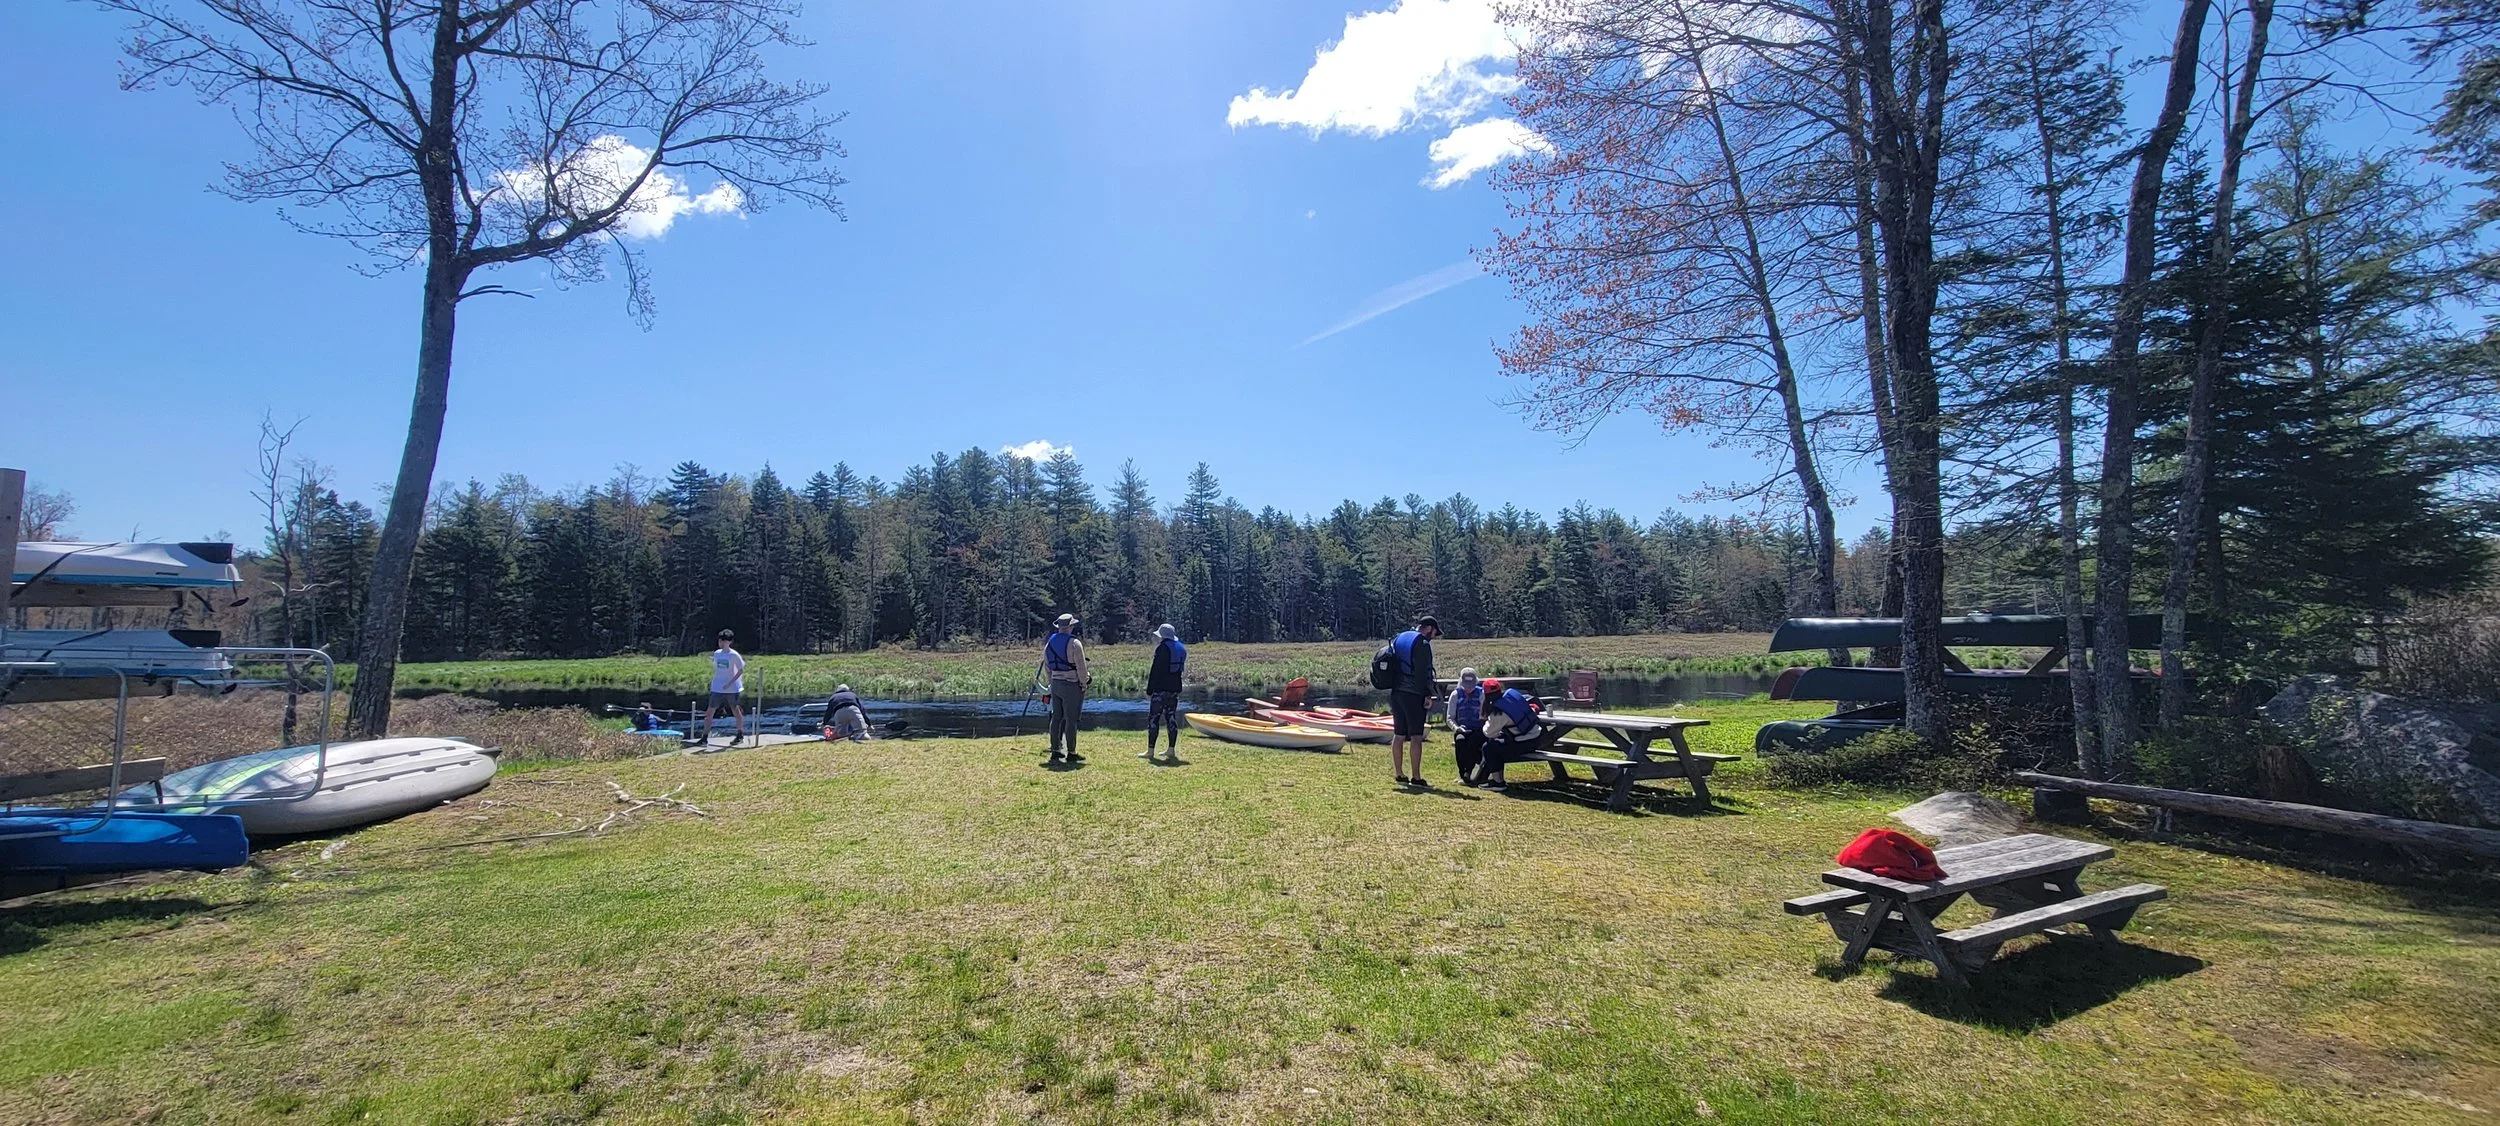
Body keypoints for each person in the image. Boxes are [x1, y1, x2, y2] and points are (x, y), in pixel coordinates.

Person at [1387, 615, 1440, 787]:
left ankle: (1399, 773)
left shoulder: (1399, 637)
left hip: (1396, 692)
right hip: (1413, 694)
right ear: (1429, 628)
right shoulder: (1422, 644)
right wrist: (1427, 694)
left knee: (1399, 734)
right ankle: (1416, 777)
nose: (1433, 637)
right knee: (1416, 736)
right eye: (1434, 633)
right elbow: (1421, 674)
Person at [1469, 680, 1546, 790]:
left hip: (1524, 743)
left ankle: (1498, 782)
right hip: (1537, 736)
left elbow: (1488, 732)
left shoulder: (1498, 712)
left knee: (1489, 747)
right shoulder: (1512, 696)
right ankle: (1494, 779)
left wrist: (1485, 721)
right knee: (1498, 744)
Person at [1043, 612, 1090, 764]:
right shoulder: (1075, 643)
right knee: (1071, 719)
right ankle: (1071, 752)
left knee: (1056, 717)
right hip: (1071, 684)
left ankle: (1055, 750)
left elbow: (1047, 666)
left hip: (1055, 683)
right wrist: (1084, 683)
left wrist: (1051, 681)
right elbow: (1081, 667)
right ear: (1070, 627)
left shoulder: (1049, 643)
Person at [1142, 623, 1186, 763]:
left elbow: (1155, 671)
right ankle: (1171, 749)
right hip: (1174, 689)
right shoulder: (1180, 648)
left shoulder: (1162, 649)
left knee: (1153, 719)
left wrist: (1150, 690)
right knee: (1171, 719)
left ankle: (1150, 751)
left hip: (1160, 689)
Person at [696, 630, 746, 748]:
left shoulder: (734, 655)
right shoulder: (717, 653)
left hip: (731, 689)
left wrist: (730, 683)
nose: (721, 642)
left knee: (735, 710)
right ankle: (704, 737)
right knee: (710, 712)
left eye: (723, 640)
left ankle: (740, 734)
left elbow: (740, 670)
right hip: (717, 688)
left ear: (729, 642)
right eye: (720, 640)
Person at [1446, 668, 1486, 786]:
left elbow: (1485, 715)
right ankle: (1462, 772)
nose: (1469, 688)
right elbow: (1450, 718)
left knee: (1472, 742)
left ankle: (1468, 773)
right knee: (1460, 741)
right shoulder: (1455, 695)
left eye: (1471, 685)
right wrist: (1457, 728)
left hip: (1478, 729)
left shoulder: (1482, 694)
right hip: (1461, 728)